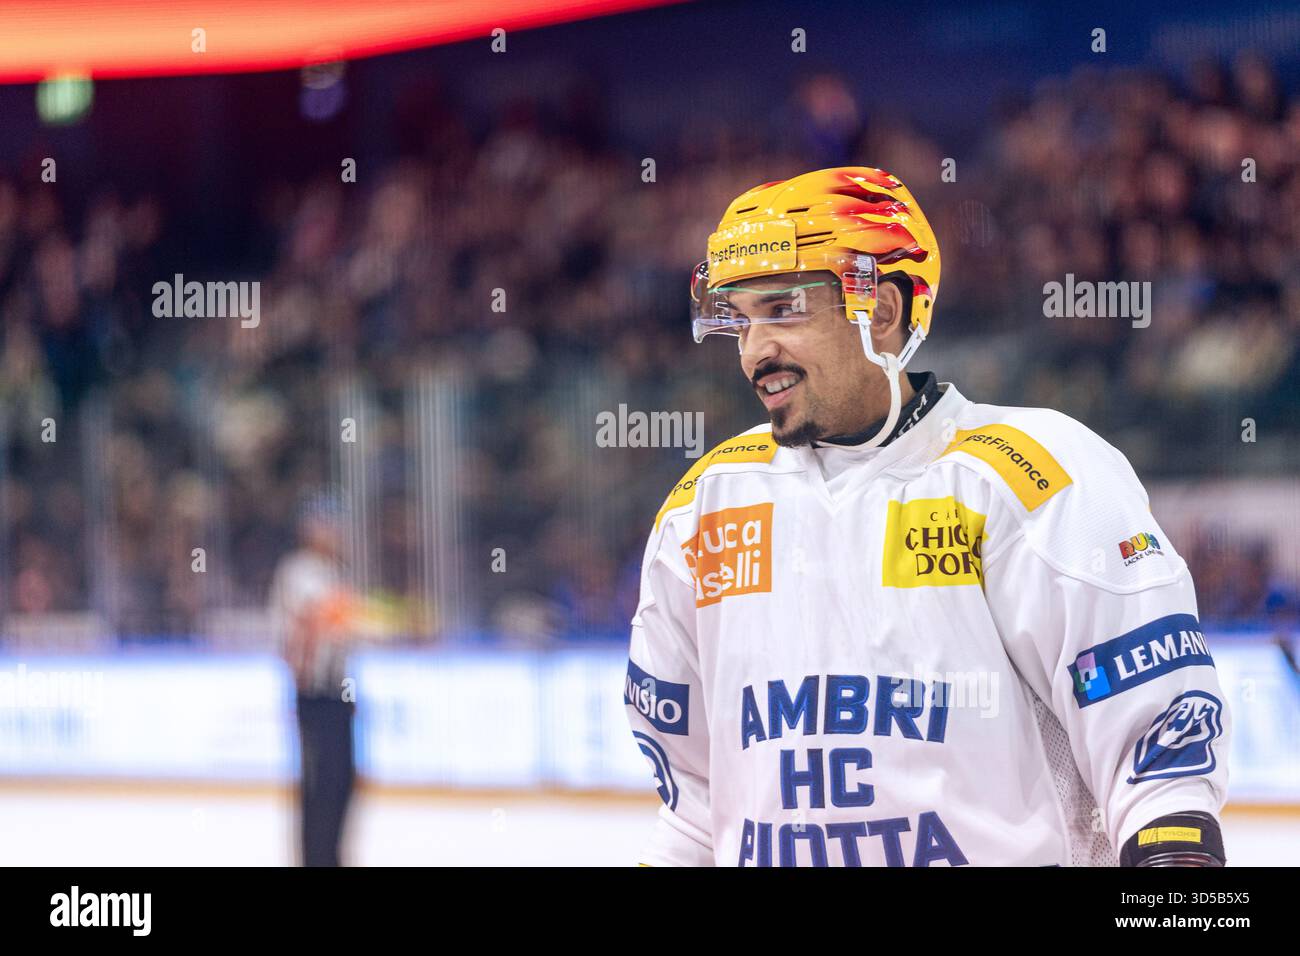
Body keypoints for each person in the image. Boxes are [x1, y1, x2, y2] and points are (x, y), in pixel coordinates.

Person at [623, 166, 1230, 867]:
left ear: (880, 310)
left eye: (784, 309)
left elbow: (1159, 775)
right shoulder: (704, 509)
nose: (756, 350)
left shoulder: (1034, 476)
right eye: (741, 317)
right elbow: (698, 811)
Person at [270, 493, 358, 867]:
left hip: (337, 689)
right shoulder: (300, 570)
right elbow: (323, 616)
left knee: (340, 782)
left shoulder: (331, 570)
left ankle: (331, 857)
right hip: (315, 691)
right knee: (321, 784)